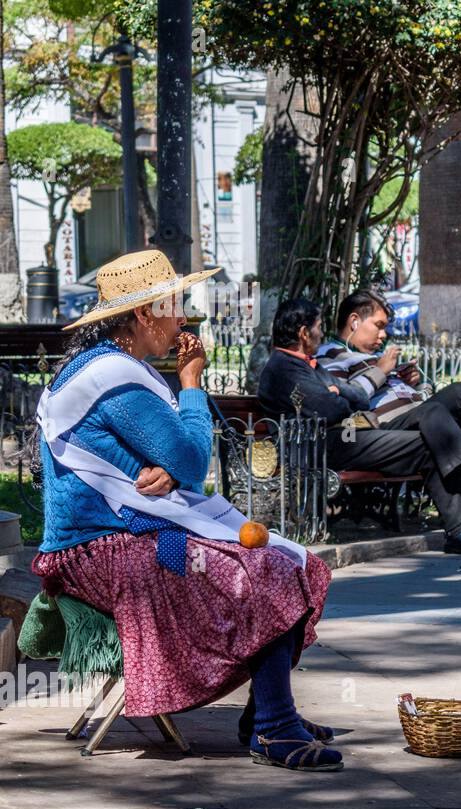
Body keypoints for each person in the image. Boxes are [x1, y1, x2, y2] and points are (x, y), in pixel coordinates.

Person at [33, 250, 341, 771]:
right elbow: (196, 458)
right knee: (266, 568)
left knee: (295, 560)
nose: (185, 318)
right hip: (100, 546)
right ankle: (273, 727)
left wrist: (171, 470)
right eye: (175, 305)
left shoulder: (108, 367)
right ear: (143, 315)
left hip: (121, 532)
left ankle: (269, 710)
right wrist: (192, 382)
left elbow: (163, 461)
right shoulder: (117, 377)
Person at [259, 298, 461, 554]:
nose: (321, 334)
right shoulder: (283, 368)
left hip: (341, 437)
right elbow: (333, 409)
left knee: (428, 443)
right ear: (303, 333)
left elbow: (356, 396)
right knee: (427, 442)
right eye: (319, 327)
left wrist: (336, 393)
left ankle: (457, 531)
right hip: (320, 447)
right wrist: (337, 397)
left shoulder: (308, 364)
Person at [318, 288, 461, 534]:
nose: (383, 335)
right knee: (458, 393)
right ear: (354, 320)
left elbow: (415, 398)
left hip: (428, 421)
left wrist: (415, 385)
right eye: (378, 326)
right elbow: (347, 399)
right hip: (385, 430)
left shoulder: (376, 356)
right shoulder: (329, 357)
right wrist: (381, 371)